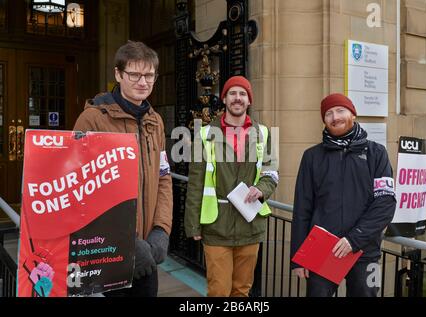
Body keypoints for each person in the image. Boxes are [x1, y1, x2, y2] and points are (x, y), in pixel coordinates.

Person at [73, 41, 173, 297]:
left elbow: (163, 178)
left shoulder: (155, 121)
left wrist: (161, 230)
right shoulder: (93, 119)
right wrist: (125, 241)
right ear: (118, 75)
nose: (143, 82)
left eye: (149, 75)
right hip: (107, 252)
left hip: (146, 254)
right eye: (135, 75)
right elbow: (81, 189)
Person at [290, 93, 396, 297]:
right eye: (328, 113)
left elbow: (385, 203)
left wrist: (353, 240)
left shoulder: (377, 153)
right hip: (321, 251)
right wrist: (298, 258)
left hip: (365, 251)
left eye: (340, 110)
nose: (334, 117)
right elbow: (302, 209)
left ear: (353, 114)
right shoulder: (312, 156)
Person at [184, 76, 279, 297]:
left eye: (243, 94)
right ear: (225, 99)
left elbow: (271, 173)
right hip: (216, 226)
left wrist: (262, 189)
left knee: (242, 290)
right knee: (219, 291)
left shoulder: (264, 134)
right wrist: (193, 225)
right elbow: (196, 182)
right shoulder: (204, 134)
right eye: (233, 93)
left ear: (249, 101)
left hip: (250, 225)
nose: (238, 98)